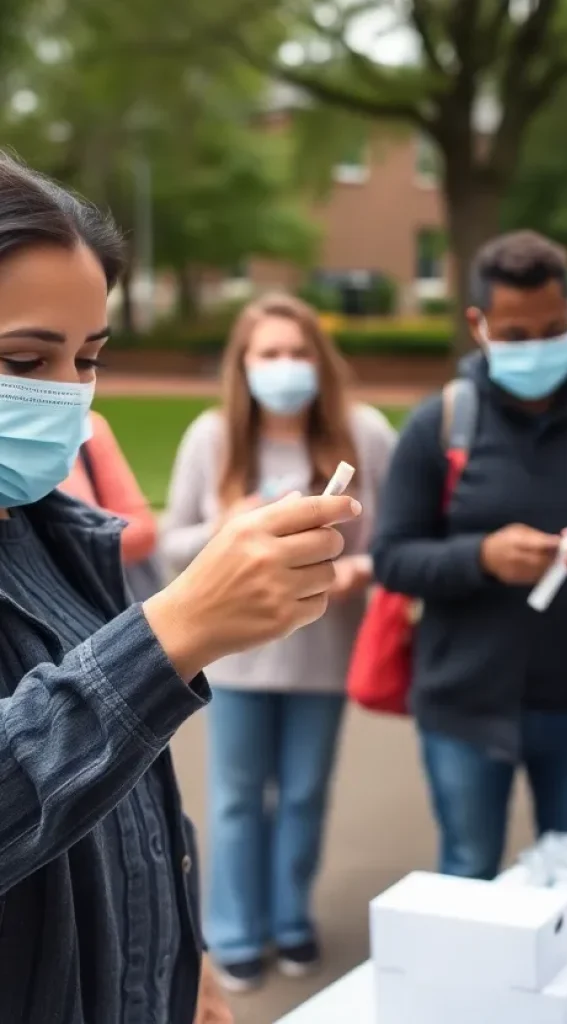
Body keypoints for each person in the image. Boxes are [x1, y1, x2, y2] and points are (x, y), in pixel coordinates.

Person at [0, 155, 360, 1023]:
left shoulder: (51, 536)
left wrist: (176, 947)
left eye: (88, 358)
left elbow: (127, 794)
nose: (69, 397)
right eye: (25, 358)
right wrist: (174, 632)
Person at [372, 230, 567, 881]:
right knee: (468, 866)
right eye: (515, 335)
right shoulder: (440, 425)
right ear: (478, 325)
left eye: (554, 328)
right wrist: (480, 557)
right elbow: (392, 558)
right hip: (465, 700)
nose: (536, 347)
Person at [161, 293, 395, 991]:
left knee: (303, 794)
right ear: (243, 364)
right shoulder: (214, 437)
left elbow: (394, 544)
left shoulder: (365, 433)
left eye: (298, 352)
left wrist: (359, 568)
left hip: (322, 654)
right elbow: (171, 543)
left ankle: (290, 916)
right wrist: (226, 530)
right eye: (269, 354)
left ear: (320, 361)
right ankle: (232, 929)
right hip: (235, 657)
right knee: (234, 797)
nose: (285, 367)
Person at [60, 408, 164, 598]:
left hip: (100, 601)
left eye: (84, 374)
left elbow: (145, 530)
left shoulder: (87, 426)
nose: (82, 380)